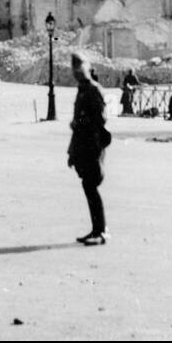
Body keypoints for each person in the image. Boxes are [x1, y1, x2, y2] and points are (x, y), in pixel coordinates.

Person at [67, 53, 109, 245]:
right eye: (74, 70)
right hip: (83, 146)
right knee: (88, 186)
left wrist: (79, 122)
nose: (76, 73)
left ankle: (100, 231)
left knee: (90, 186)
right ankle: (98, 229)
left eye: (79, 69)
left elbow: (100, 118)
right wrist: (72, 152)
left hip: (92, 145)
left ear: (87, 68)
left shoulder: (92, 89)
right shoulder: (83, 89)